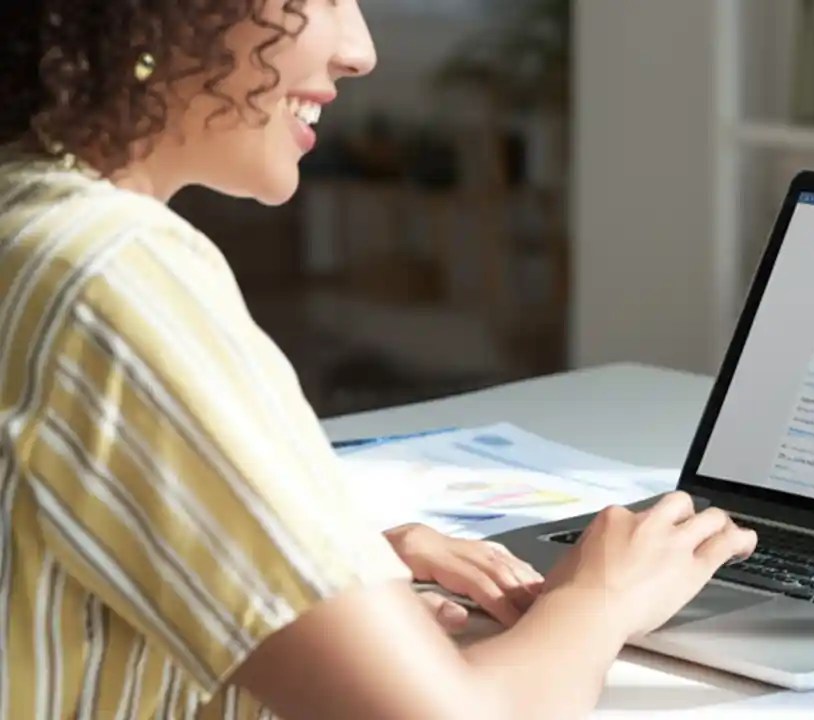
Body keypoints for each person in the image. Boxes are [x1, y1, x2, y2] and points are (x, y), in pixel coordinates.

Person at [0, 1, 757, 718]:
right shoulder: (113, 275)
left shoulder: (25, 217)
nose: (358, 51)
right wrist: (602, 600)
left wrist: (337, 578)